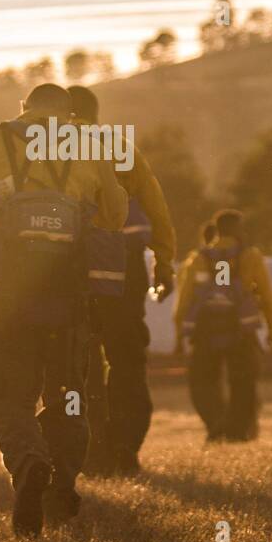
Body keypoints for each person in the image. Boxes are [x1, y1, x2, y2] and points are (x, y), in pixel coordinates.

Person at [0, 83, 128, 536]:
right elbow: (115, 216)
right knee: (68, 396)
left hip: (7, 295)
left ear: (24, 108)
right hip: (70, 293)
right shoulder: (89, 141)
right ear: (69, 111)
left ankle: (29, 463)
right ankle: (60, 494)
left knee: (3, 394)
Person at [69, 85, 177, 477]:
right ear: (96, 114)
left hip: (71, 267)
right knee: (127, 357)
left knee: (81, 361)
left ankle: (93, 450)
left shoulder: (48, 151)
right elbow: (156, 206)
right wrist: (164, 262)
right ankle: (126, 448)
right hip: (125, 263)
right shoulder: (118, 147)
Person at [174, 209, 272, 442]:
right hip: (241, 330)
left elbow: (183, 302)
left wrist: (179, 336)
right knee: (243, 382)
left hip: (205, 332)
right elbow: (268, 298)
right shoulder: (250, 256)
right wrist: (271, 330)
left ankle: (215, 423)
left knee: (202, 382)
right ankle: (237, 431)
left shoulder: (197, 259)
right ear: (237, 229)